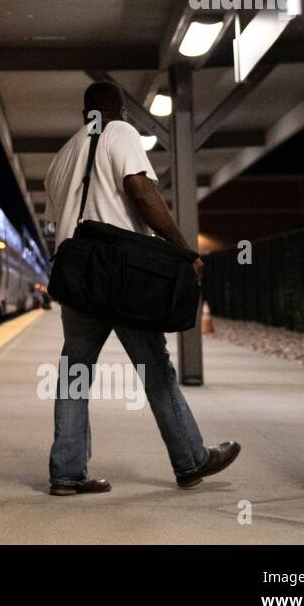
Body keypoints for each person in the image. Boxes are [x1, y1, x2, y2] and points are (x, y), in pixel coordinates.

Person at [43, 80, 240, 495]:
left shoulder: (60, 159)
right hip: (122, 275)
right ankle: (190, 460)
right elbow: (141, 191)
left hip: (77, 278)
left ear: (84, 114)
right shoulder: (121, 133)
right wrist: (184, 251)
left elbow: (59, 220)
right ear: (122, 112)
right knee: (155, 370)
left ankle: (66, 473)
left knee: (74, 374)